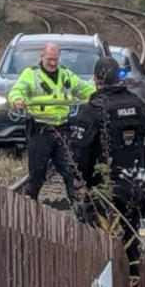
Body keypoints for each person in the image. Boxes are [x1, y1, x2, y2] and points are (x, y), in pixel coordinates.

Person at [69, 56, 145, 276]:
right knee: (131, 243)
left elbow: (79, 157)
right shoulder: (139, 105)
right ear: (119, 78)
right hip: (134, 185)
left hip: (104, 191)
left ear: (96, 80)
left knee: (99, 249)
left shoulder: (92, 111)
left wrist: (82, 184)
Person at [7, 42, 96, 201]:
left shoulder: (66, 75)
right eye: (50, 59)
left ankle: (76, 205)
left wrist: (100, 93)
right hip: (40, 130)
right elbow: (18, 89)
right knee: (37, 173)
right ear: (42, 57)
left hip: (62, 129)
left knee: (70, 172)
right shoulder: (31, 74)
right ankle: (31, 204)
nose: (53, 63)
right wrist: (17, 99)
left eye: (56, 59)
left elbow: (84, 89)